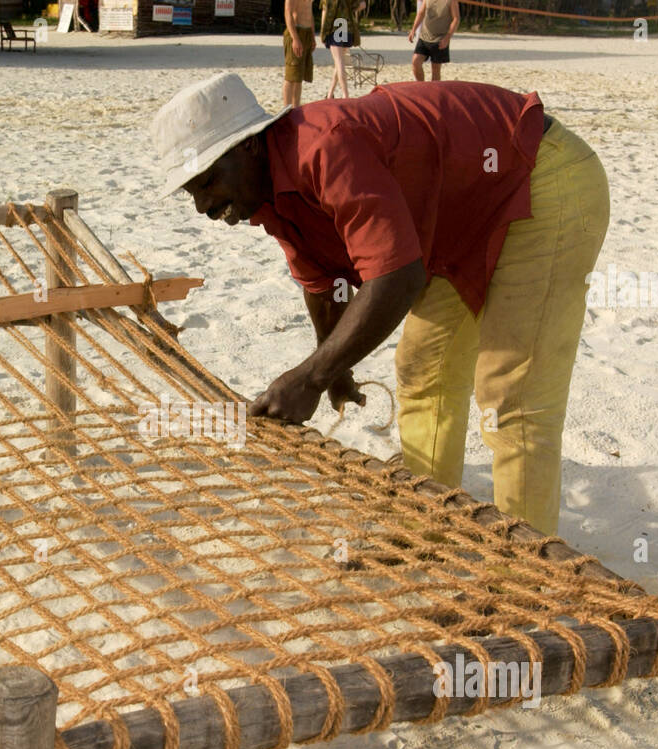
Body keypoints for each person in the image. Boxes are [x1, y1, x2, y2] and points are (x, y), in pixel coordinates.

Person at [151, 73, 610, 536]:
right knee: (423, 371)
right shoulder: (268, 196)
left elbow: (397, 277)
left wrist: (312, 376)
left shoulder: (323, 148)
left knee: (512, 396)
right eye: (193, 193)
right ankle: (427, 527)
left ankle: (525, 575)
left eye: (208, 182)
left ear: (248, 147)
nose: (204, 206)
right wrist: (333, 364)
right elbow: (323, 285)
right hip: (460, 221)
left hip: (539, 177)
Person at [320, 0, 366, 99]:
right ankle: (330, 94)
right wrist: (350, 9)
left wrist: (323, 32)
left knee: (339, 62)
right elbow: (362, 5)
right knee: (339, 62)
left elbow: (324, 11)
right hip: (346, 27)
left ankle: (345, 95)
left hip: (334, 28)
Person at [409, 0, 459, 82]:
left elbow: (456, 19)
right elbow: (421, 13)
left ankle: (433, 92)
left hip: (440, 39)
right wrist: (413, 30)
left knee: (435, 70)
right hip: (424, 36)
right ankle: (421, 86)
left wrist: (447, 38)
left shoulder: (451, 1)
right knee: (416, 62)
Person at [282, 0, 317, 108]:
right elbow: (288, 13)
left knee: (299, 77)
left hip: (307, 33)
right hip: (296, 31)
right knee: (291, 76)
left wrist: (312, 35)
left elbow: (309, 12)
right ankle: (285, 111)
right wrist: (295, 38)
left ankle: (295, 109)